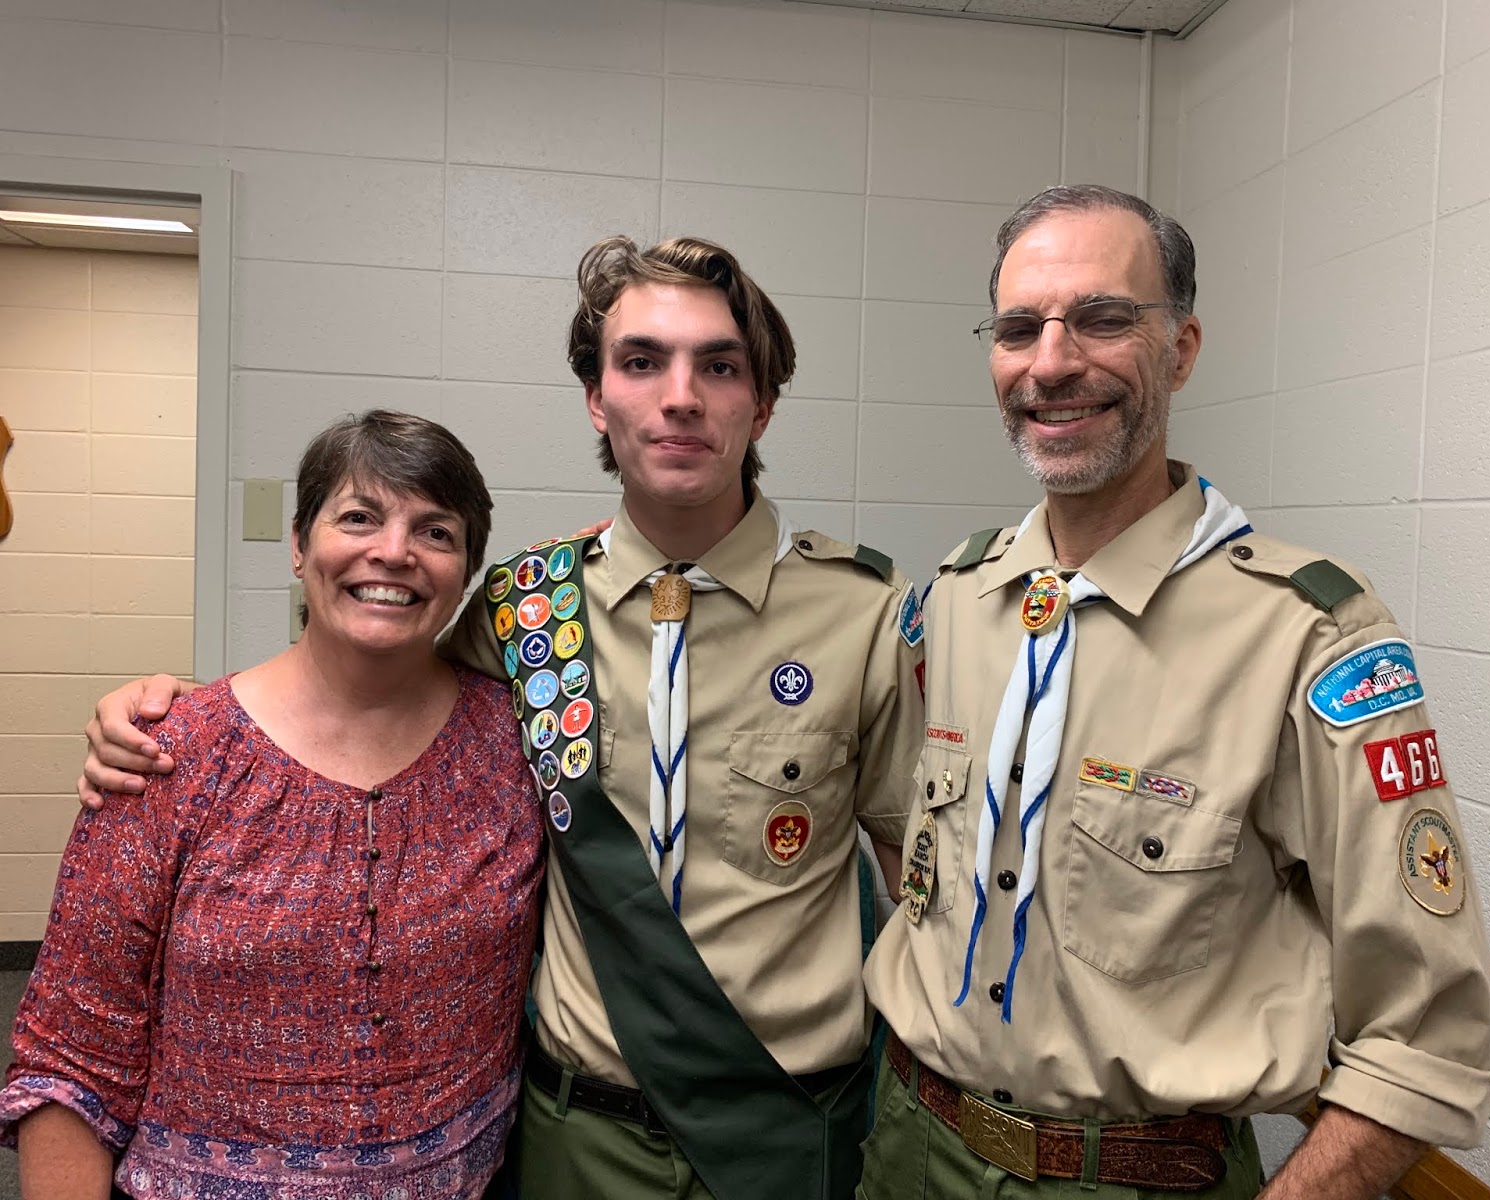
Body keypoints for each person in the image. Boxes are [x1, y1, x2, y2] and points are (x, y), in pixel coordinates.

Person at [79, 236, 926, 1200]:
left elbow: (915, 876)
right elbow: (366, 687)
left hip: (788, 1124)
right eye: (642, 361)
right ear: (598, 399)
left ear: (761, 402)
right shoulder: (524, 612)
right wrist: (180, 707)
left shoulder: (865, 611)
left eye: (720, 365)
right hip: (579, 1135)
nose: (680, 395)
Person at [858, 184, 1490, 1200]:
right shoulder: (954, 602)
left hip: (1136, 1175)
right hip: (904, 1148)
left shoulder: (1304, 633)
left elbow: (1430, 1035)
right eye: (1020, 327)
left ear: (1182, 347)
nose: (1053, 361)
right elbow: (908, 841)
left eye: (1104, 318)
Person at [4, 411, 546, 1200]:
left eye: (435, 531)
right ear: (299, 545)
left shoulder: (511, 743)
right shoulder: (174, 756)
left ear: (466, 573)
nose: (393, 551)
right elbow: (69, 1055)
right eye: (358, 516)